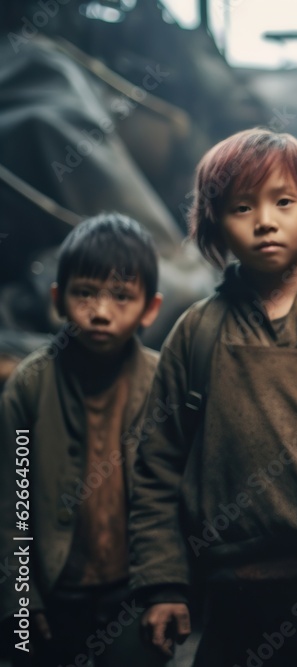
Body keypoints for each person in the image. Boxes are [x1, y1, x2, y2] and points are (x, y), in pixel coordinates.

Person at [127, 128, 297, 666]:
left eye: (284, 201)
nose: (265, 221)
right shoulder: (196, 334)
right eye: (241, 206)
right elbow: (155, 471)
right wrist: (163, 585)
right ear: (216, 224)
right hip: (227, 601)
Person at [0, 213, 165, 666]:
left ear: (150, 308)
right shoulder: (29, 388)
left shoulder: (160, 385)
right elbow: (12, 510)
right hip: (53, 594)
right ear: (58, 298)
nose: (100, 312)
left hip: (134, 591)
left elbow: (173, 500)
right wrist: (20, 601)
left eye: (121, 296)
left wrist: (169, 590)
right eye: (84, 292)